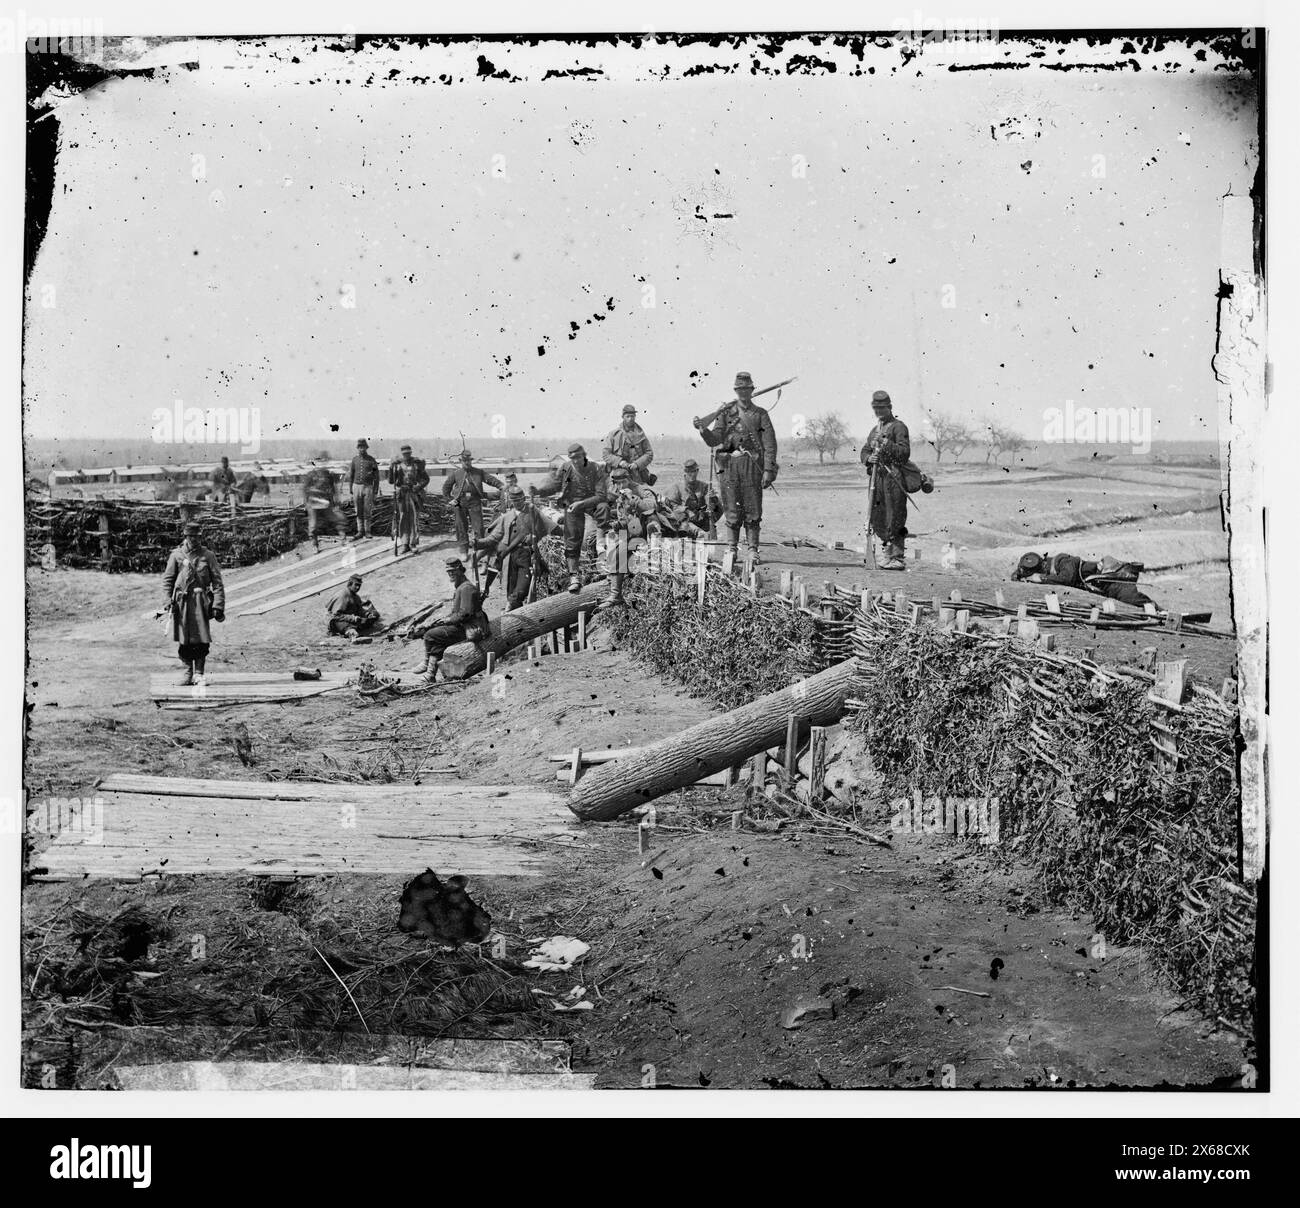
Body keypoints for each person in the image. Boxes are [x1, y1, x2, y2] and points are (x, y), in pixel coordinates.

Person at [694, 370, 778, 564]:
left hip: (752, 465)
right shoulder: (725, 414)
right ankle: (732, 549)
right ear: (735, 390)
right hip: (729, 466)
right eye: (739, 389)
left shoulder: (760, 415)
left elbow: (770, 444)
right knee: (731, 507)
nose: (743, 392)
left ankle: (752, 550)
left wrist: (768, 470)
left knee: (753, 508)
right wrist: (703, 429)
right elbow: (714, 439)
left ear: (751, 390)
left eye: (746, 389)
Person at [533, 442, 608, 592]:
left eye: (578, 458)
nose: (576, 461)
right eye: (572, 458)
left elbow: (601, 495)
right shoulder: (566, 468)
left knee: (603, 508)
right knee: (572, 536)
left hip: (591, 501)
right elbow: (555, 485)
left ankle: (600, 545)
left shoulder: (595, 468)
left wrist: (582, 503)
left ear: (584, 456)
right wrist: (539, 491)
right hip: (572, 504)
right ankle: (574, 575)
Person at [161, 521, 225, 686]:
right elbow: (168, 580)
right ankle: (187, 673)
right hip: (182, 604)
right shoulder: (176, 555)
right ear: (185, 536)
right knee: (185, 639)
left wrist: (217, 605)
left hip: (200, 603)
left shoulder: (208, 556)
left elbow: (217, 583)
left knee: (201, 638)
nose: (194, 540)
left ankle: (199, 674)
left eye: (197, 536)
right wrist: (168, 600)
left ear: (200, 537)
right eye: (190, 536)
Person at [476, 486, 552, 609]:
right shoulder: (506, 517)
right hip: (509, 556)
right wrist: (479, 543)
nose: (517, 503)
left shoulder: (533, 511)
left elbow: (548, 527)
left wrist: (535, 536)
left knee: (523, 586)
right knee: (510, 587)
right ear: (511, 501)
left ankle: (512, 604)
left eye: (519, 500)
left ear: (524, 499)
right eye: (514, 500)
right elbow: (494, 536)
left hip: (526, 554)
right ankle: (514, 613)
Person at [415, 557, 489, 682]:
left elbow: (466, 614)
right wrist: (444, 619)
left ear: (460, 570)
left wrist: (448, 621)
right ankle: (430, 673)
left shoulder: (466, 588)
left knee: (431, 635)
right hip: (463, 626)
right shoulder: (460, 586)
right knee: (435, 634)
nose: (450, 574)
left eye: (453, 571)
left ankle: (427, 665)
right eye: (448, 571)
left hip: (472, 628)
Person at [860, 390, 911, 571]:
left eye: (882, 408)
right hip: (877, 478)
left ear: (890, 408)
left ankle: (897, 557)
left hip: (894, 478)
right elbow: (865, 450)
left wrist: (886, 444)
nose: (879, 412)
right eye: (876, 408)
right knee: (877, 516)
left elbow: (904, 454)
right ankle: (886, 554)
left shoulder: (899, 427)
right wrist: (868, 459)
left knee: (895, 516)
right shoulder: (875, 430)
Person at [1012, 551, 1156, 609]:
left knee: (1133, 600)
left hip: (1111, 583)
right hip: (1100, 588)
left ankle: (1162, 612)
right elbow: (1018, 574)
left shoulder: (1064, 561)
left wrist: (1041, 578)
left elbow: (1066, 579)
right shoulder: (1045, 567)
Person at [441, 449, 504, 559]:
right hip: (459, 503)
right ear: (461, 461)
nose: (467, 463)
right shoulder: (456, 474)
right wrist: (450, 499)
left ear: (471, 461)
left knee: (478, 527)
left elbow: (491, 479)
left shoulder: (479, 472)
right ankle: (464, 551)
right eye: (464, 461)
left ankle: (479, 550)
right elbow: (446, 488)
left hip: (474, 502)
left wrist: (502, 486)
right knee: (461, 526)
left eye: (469, 460)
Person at [662, 458, 722, 539]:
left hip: (702, 521)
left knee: (712, 538)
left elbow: (714, 507)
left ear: (697, 471)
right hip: (686, 523)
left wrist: (713, 499)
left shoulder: (704, 486)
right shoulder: (677, 487)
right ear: (684, 473)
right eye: (689, 472)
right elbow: (671, 506)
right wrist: (686, 510)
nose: (692, 474)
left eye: (694, 471)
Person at [388, 444, 429, 552]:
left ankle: (413, 543)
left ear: (411, 453)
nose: (406, 455)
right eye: (404, 453)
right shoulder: (397, 465)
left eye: (408, 453)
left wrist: (418, 486)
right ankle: (405, 543)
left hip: (414, 494)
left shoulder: (417, 465)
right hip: (402, 494)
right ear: (402, 454)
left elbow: (426, 479)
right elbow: (391, 481)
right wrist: (391, 468)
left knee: (414, 518)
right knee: (402, 519)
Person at [602, 404, 655, 487]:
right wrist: (619, 462)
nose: (630, 419)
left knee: (640, 495)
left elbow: (649, 453)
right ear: (623, 417)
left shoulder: (640, 434)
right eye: (628, 416)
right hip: (618, 474)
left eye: (632, 416)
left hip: (636, 474)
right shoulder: (614, 434)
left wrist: (637, 464)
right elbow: (606, 454)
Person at [303, 462, 345, 552]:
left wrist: (335, 501)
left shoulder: (328, 475)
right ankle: (315, 545)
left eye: (321, 461)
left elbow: (333, 489)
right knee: (313, 525)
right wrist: (305, 503)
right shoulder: (310, 475)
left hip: (325, 502)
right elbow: (305, 490)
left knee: (336, 518)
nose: (319, 464)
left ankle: (343, 538)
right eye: (317, 462)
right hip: (313, 502)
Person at [346, 438, 381, 538]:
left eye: (363, 447)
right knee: (358, 510)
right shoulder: (354, 460)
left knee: (367, 510)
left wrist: (375, 490)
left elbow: (376, 476)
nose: (361, 449)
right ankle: (360, 531)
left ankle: (368, 531)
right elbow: (351, 475)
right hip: (356, 487)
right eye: (360, 447)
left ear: (366, 448)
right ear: (358, 448)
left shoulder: (371, 460)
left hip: (368, 487)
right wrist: (350, 489)